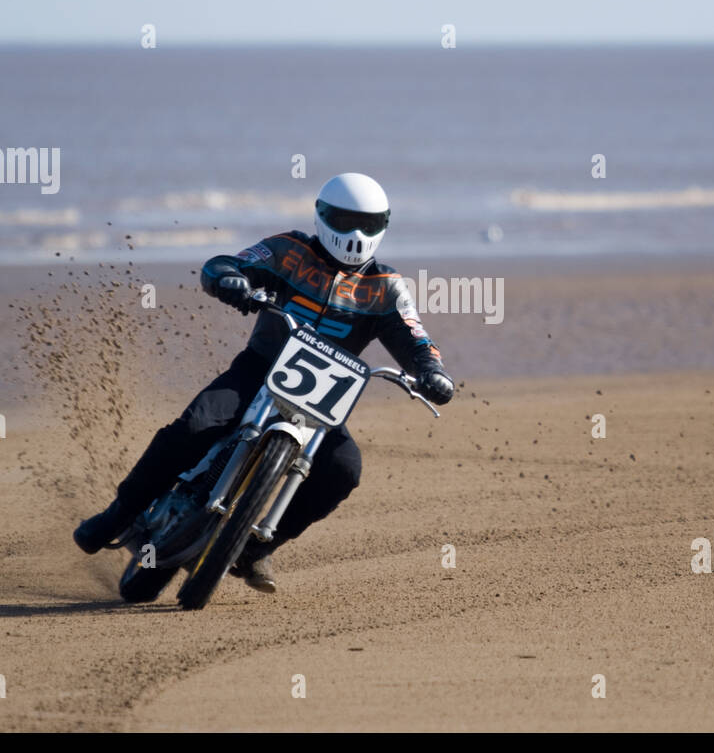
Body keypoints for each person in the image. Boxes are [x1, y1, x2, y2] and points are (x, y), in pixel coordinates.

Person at [73, 173, 454, 593]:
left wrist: (432, 372)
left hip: (322, 400)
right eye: (344, 221)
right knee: (195, 427)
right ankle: (120, 512)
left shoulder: (386, 287)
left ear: (384, 225)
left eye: (367, 223)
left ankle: (256, 548)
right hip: (258, 369)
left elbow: (417, 338)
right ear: (323, 217)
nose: (356, 233)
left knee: (344, 470)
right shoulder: (289, 250)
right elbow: (225, 264)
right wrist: (230, 279)